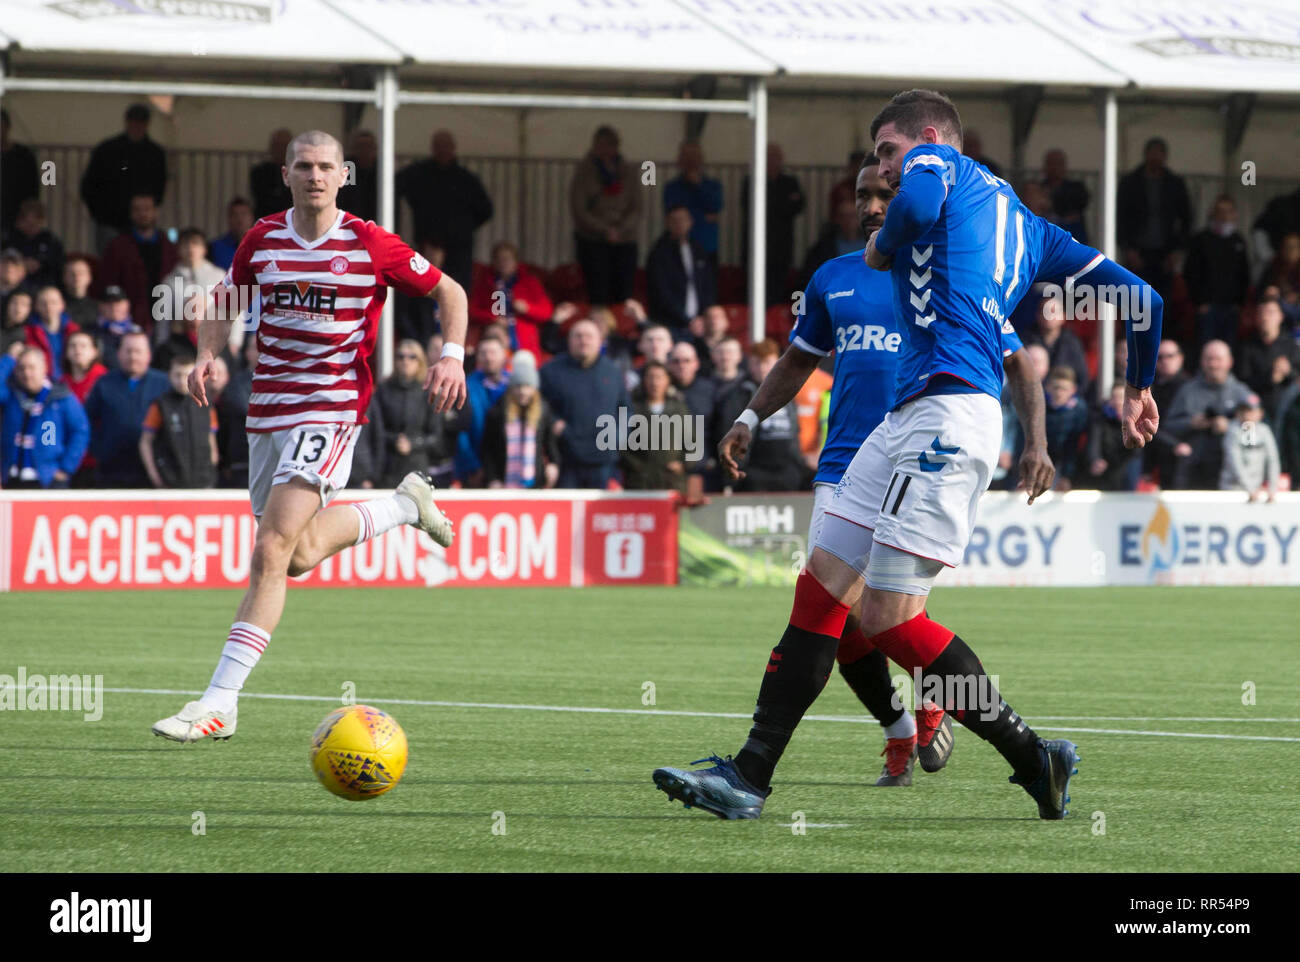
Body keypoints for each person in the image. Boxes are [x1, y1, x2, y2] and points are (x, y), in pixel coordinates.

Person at [654, 88, 1163, 821]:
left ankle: (1033, 756)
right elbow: (1143, 298)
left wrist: (882, 244)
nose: (885, 171)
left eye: (887, 152)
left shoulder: (936, 166)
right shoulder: (1033, 228)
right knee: (823, 591)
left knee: (888, 620)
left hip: (949, 414)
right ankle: (749, 774)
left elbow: (916, 209)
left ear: (927, 138)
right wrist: (1138, 383)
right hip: (907, 417)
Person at [712, 155, 1050, 784]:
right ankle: (902, 724)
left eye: (884, 195)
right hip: (845, 465)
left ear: (910, 199)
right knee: (837, 622)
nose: (871, 206)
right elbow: (797, 360)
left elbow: (1020, 365)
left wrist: (1035, 441)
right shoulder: (835, 278)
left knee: (876, 616)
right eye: (862, 195)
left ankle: (767, 768)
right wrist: (750, 419)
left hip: (921, 460)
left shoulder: (949, 273)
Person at [150, 129, 469, 743]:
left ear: (344, 174)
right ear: (286, 173)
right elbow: (225, 300)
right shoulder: (263, 239)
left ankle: (220, 703)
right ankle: (405, 504)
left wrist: (451, 356)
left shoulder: (371, 243)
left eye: (326, 166)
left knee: (269, 548)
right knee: (296, 555)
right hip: (268, 413)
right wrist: (207, 354)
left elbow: (450, 291)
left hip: (331, 410)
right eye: (304, 166)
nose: (316, 176)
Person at [396, 129, 493, 290]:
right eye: (438, 146)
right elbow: (393, 187)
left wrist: (464, 228)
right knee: (423, 289)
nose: (442, 150)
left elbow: (486, 210)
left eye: (446, 146)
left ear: (453, 148)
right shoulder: (418, 174)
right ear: (432, 148)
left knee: (457, 290)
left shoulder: (466, 180)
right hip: (428, 245)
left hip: (459, 249)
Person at [539, 317, 629, 488]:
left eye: (589, 336)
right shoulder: (550, 371)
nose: (583, 341)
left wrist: (617, 435)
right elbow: (540, 405)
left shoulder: (613, 372)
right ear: (569, 340)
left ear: (600, 341)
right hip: (565, 461)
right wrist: (554, 423)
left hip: (603, 462)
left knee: (601, 514)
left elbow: (626, 410)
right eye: (578, 336)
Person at [1164, 340, 1257, 489]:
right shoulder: (1188, 391)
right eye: (1209, 359)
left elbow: (1256, 435)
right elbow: (1167, 428)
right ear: (1202, 362)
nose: (1213, 364)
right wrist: (1191, 424)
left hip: (1231, 473)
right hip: (1193, 471)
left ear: (1229, 362)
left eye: (1218, 359)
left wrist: (1231, 427)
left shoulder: (1242, 393)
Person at [376, 339, 466, 487]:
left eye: (412, 357)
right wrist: (394, 440)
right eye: (401, 356)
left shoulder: (428, 392)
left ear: (420, 362)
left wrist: (413, 444)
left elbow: (436, 436)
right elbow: (376, 430)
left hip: (417, 466)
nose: (405, 361)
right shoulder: (384, 390)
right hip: (387, 466)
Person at [83, 330, 168, 486]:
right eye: (128, 351)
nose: (133, 357)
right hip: (111, 472)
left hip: (152, 472)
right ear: (119, 353)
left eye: (138, 351)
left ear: (148, 354)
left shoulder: (164, 384)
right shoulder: (104, 383)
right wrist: (98, 449)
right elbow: (86, 420)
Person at [79, 104, 167, 254]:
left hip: (142, 223)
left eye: (141, 122)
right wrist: (99, 212)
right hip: (110, 220)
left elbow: (159, 186)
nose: (137, 126)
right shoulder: (107, 149)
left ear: (147, 124)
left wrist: (147, 210)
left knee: (142, 262)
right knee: (110, 260)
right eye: (134, 121)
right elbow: (90, 184)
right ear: (127, 122)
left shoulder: (155, 153)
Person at [570, 126, 642, 306]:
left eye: (610, 145)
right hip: (592, 240)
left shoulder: (628, 171)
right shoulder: (584, 171)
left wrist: (621, 229)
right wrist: (604, 230)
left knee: (623, 291)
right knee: (597, 290)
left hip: (624, 240)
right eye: (601, 145)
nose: (605, 150)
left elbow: (637, 206)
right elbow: (579, 209)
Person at [0, 347, 89, 489]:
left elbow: (80, 431)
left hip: (48, 479)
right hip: (12, 479)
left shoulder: (61, 397)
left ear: (44, 368)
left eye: (31, 367)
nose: (27, 373)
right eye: (21, 368)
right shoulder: (11, 395)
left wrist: (65, 468)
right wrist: (8, 360)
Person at [1117, 136, 1191, 300]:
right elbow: (1120, 217)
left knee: (1162, 301)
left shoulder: (1175, 184)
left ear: (1165, 156)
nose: (1156, 157)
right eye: (1153, 153)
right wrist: (1127, 248)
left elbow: (1186, 218)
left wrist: (1178, 251)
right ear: (1146, 155)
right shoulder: (1130, 183)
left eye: (1160, 153)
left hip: (1165, 253)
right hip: (1137, 251)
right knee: (1134, 300)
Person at [95, 193, 178, 332]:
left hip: (165, 318)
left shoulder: (169, 247)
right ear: (131, 213)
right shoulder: (117, 246)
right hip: (128, 320)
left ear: (155, 212)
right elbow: (107, 283)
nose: (142, 214)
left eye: (147, 209)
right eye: (137, 209)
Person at [481, 351, 559, 489]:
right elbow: (488, 449)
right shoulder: (498, 411)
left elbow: (550, 443)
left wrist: (553, 464)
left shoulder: (543, 411)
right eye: (518, 386)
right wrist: (492, 478)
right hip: (503, 482)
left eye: (527, 386)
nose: (522, 391)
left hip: (534, 482)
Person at [140, 352, 219, 489]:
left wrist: (213, 463)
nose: (182, 380)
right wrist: (154, 475)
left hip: (204, 480)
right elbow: (145, 441)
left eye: (186, 375)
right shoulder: (160, 405)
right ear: (170, 375)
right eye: (177, 375)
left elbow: (211, 437)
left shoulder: (206, 403)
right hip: (170, 481)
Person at [1183, 195, 1250, 350]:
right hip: (1208, 307)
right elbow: (1191, 273)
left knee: (1228, 348)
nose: (1224, 215)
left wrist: (1240, 303)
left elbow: (1244, 274)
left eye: (1229, 211)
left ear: (1235, 214)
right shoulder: (1201, 240)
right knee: (1206, 348)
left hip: (1231, 307)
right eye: (1220, 211)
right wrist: (1200, 301)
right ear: (1212, 213)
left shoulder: (1238, 240)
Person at [742, 143, 807, 307]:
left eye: (776, 157)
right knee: (755, 287)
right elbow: (751, 206)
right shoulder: (751, 181)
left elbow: (799, 206)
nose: (772, 161)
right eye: (769, 157)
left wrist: (774, 204)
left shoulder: (790, 182)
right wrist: (782, 203)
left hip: (782, 246)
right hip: (755, 245)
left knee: (779, 288)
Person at [467, 241, 552, 355]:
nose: (503, 263)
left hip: (523, 341)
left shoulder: (529, 282)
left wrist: (527, 308)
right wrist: (492, 318)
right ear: (493, 262)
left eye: (508, 259)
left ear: (516, 261)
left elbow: (546, 312)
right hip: (492, 341)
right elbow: (472, 311)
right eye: (499, 259)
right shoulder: (485, 282)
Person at [645, 205, 716, 332]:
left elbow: (708, 285)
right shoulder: (659, 252)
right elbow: (661, 292)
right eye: (674, 220)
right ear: (667, 223)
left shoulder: (698, 249)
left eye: (683, 219)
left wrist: (703, 317)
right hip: (669, 323)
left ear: (690, 222)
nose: (679, 224)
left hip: (699, 323)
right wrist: (687, 320)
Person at [454, 331, 510, 484]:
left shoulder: (515, 386)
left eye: (493, 352)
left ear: (504, 355)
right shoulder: (465, 387)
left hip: (510, 468)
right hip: (476, 469)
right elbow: (461, 431)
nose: (488, 357)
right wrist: (472, 466)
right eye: (483, 353)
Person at [1235, 297, 1300, 419]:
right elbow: (1242, 382)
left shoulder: (1292, 346)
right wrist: (1270, 378)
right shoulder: (1247, 347)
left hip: (1287, 412)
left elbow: (1297, 378)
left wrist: (1288, 372)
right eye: (1261, 313)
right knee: (1247, 434)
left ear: (1281, 316)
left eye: (1270, 312)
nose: (1265, 317)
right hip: (1254, 411)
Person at [663, 141, 723, 266]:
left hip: (706, 245)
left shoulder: (713, 185)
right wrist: (703, 217)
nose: (690, 162)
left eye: (694, 157)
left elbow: (715, 207)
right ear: (680, 160)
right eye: (686, 157)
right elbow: (673, 214)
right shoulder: (672, 188)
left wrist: (697, 185)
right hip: (679, 245)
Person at [1025, 290, 1090, 398]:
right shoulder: (1024, 340)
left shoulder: (1072, 343)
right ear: (1037, 315)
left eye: (1053, 311)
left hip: (1065, 400)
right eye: (1044, 311)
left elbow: (1082, 379)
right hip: (1030, 395)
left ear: (1063, 316)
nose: (1049, 315)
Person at [1085, 382, 1141, 491]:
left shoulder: (1139, 419)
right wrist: (1095, 459)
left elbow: (1138, 449)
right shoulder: (1100, 418)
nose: (1118, 402)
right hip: (1107, 468)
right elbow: (1094, 442)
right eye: (1115, 397)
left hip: (1128, 466)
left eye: (1122, 398)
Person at [1220, 401, 1279, 501]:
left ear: (1260, 413)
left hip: (1257, 489)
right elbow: (1235, 463)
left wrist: (1272, 488)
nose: (1247, 415)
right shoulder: (1233, 431)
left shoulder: (1264, 430)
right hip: (1233, 488)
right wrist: (1250, 489)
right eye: (1243, 412)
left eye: (1250, 411)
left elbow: (1272, 459)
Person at [1043, 366, 1088, 492]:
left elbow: (1075, 445)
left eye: (1064, 389)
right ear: (1048, 387)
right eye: (1056, 387)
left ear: (1073, 390)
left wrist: (1067, 476)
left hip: (1070, 466)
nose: (1059, 392)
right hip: (1043, 462)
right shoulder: (1040, 407)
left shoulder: (1080, 410)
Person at [5, 200, 65, 290]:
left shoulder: (51, 240)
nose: (30, 227)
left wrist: (41, 264)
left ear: (41, 221)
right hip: (14, 287)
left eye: (34, 224)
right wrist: (21, 264)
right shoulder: (9, 238)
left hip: (44, 285)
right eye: (27, 223)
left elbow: (59, 265)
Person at [24, 285, 79, 380]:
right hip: (41, 383)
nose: (48, 307)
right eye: (43, 303)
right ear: (36, 306)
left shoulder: (74, 330)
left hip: (71, 382)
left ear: (62, 305)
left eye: (53, 302)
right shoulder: (28, 332)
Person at [0, 109, 39, 236]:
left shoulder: (23, 154)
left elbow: (33, 185)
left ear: (7, 127)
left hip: (17, 213)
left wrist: (29, 212)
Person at [1038, 149, 1090, 243]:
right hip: (1045, 241)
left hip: (1072, 240)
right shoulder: (1038, 189)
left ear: (1065, 166)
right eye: (1051, 163)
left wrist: (1051, 203)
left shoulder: (1076, 189)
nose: (1054, 167)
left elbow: (1078, 203)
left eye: (1058, 163)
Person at [250, 129, 294, 219]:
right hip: (266, 219)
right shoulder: (259, 172)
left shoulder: (299, 172)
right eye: (278, 146)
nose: (281, 150)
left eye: (284, 146)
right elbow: (262, 199)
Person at [337, 129, 378, 224]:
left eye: (368, 146)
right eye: (360, 147)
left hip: (376, 224)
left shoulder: (382, 171)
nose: (364, 150)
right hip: (349, 223)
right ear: (354, 149)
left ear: (374, 148)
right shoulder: (346, 169)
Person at [208, 197, 254, 271]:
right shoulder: (214, 247)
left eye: (243, 213)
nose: (239, 218)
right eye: (234, 214)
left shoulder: (264, 247)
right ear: (228, 218)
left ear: (251, 217)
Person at [62, 256, 98, 329]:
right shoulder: (57, 306)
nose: (76, 277)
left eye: (81, 273)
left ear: (89, 277)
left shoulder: (98, 307)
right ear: (64, 277)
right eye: (72, 273)